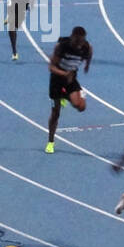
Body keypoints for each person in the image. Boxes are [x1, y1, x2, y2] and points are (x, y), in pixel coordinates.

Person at [45, 26, 93, 154]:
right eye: (76, 41)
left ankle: (75, 94)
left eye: (81, 41)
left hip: (71, 80)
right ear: (72, 37)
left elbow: (89, 54)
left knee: (81, 107)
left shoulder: (86, 47)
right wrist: (64, 73)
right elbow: (51, 67)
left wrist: (87, 65)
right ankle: (50, 142)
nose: (78, 44)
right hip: (56, 81)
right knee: (55, 113)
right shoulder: (62, 47)